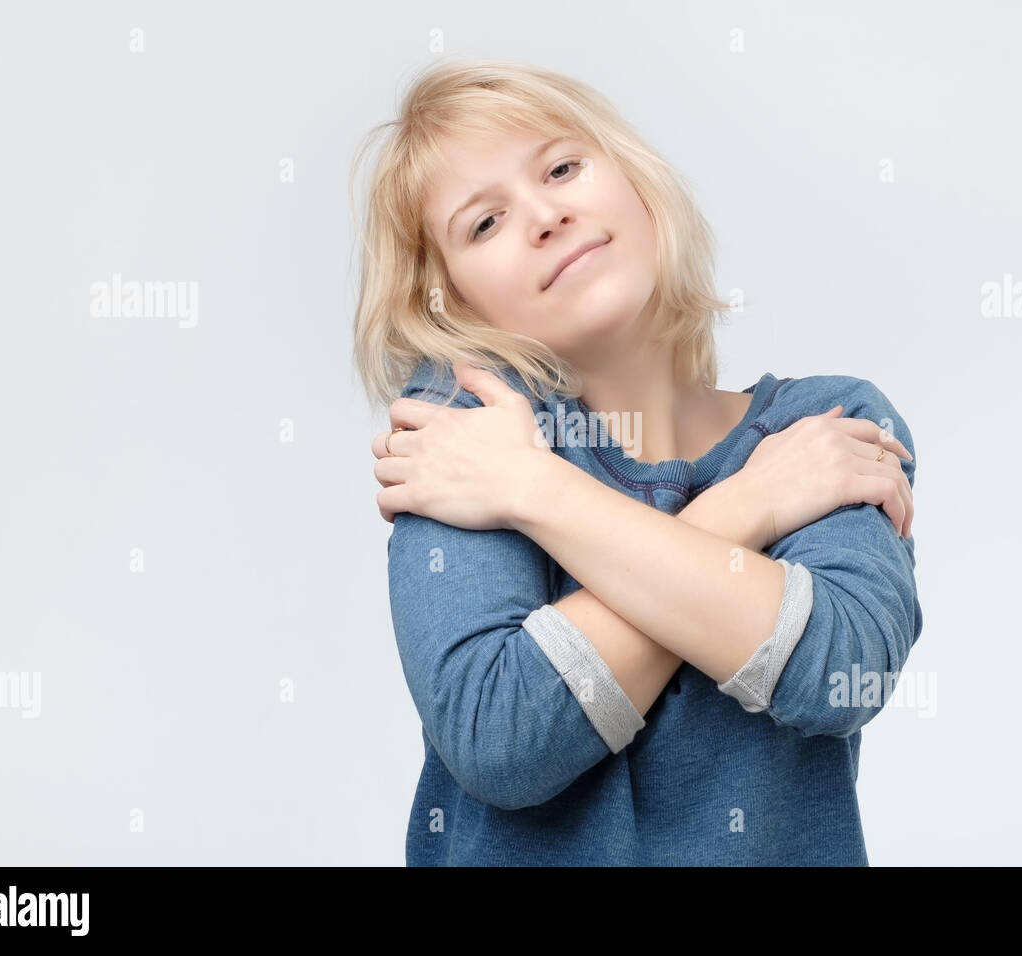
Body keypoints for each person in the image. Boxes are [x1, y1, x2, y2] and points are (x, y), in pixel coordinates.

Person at [351, 58, 922, 865]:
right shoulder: (471, 435)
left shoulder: (827, 423)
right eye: (483, 223)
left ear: (638, 183)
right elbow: (502, 736)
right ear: (450, 301)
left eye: (562, 167)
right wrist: (748, 508)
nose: (545, 216)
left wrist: (526, 491)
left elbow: (837, 671)